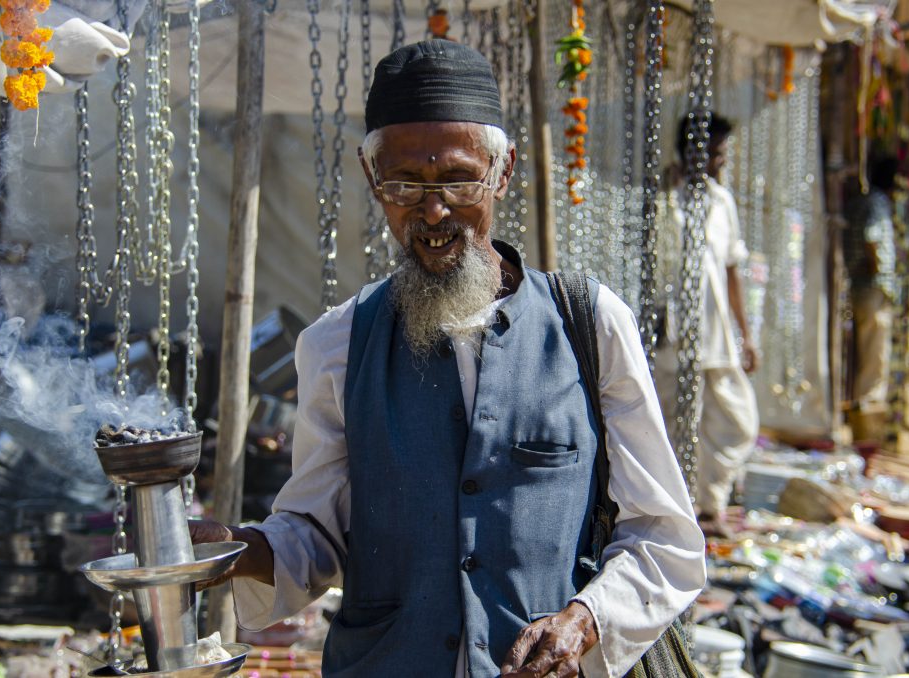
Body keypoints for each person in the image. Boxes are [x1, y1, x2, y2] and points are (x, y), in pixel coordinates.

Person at [191, 40, 705, 678]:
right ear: (372, 177)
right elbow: (317, 536)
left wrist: (587, 620)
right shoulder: (335, 344)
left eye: (458, 181)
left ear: (503, 171)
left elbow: (664, 537)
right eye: (405, 185)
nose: (432, 212)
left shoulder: (592, 325)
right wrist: (239, 549)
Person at [655, 113, 759, 539]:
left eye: (722, 153)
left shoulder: (722, 201)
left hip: (716, 335)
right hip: (673, 337)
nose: (720, 161)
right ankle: (685, 512)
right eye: (714, 152)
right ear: (692, 152)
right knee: (675, 423)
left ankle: (710, 500)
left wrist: (746, 333)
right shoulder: (662, 195)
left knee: (737, 421)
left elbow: (733, 270)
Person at [843, 155, 898, 442]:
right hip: (872, 287)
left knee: (864, 352)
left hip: (860, 286)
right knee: (874, 358)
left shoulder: (857, 203)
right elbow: (872, 237)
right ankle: (867, 432)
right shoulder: (877, 204)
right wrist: (876, 268)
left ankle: (863, 421)